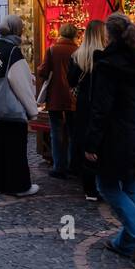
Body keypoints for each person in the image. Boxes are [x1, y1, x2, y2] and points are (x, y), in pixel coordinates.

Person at [84, 13, 135, 264]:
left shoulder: (107, 65)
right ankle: (125, 242)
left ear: (110, 36)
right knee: (128, 184)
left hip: (114, 134)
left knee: (105, 185)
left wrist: (91, 142)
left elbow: (100, 107)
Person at [0, 15, 39, 196]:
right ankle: (19, 186)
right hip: (10, 108)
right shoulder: (13, 51)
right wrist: (32, 110)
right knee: (16, 149)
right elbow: (20, 83)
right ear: (17, 30)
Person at [67, 19, 105, 201]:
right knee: (100, 140)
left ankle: (89, 186)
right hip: (100, 103)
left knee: (84, 140)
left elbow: (71, 81)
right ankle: (101, 184)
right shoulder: (105, 57)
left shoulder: (78, 56)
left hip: (83, 105)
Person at [37, 23, 79, 180]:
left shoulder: (53, 50)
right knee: (73, 132)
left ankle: (58, 166)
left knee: (56, 132)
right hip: (73, 96)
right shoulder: (78, 51)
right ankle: (72, 165)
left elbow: (43, 70)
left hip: (55, 95)